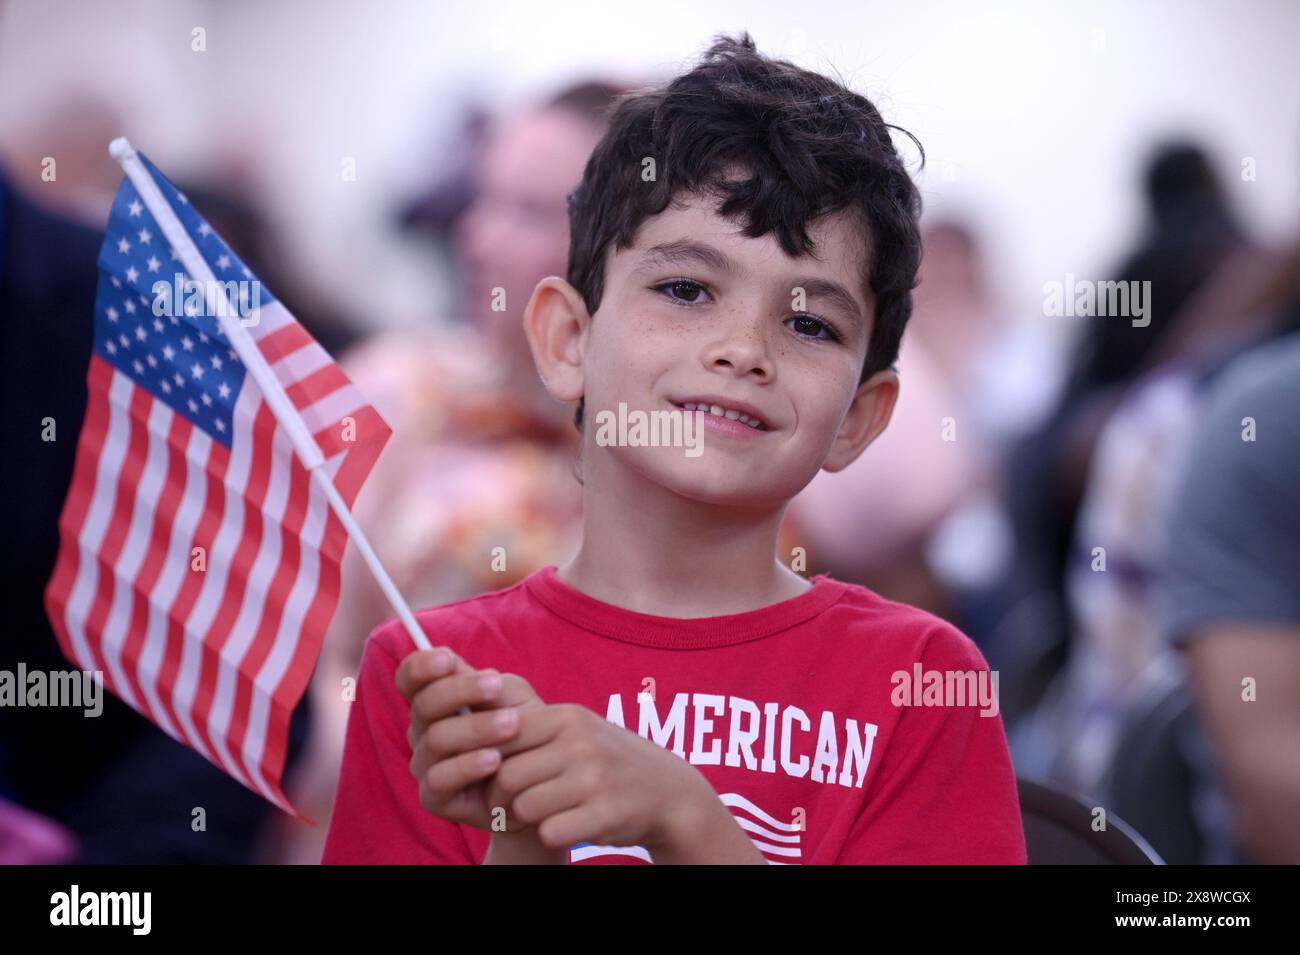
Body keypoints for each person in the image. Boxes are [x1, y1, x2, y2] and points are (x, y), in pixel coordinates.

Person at [321, 32, 1026, 865]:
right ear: (567, 340)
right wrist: (520, 841)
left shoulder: (922, 681)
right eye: (686, 289)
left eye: (809, 323)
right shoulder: (430, 677)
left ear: (858, 418)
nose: (743, 348)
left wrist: (690, 824)